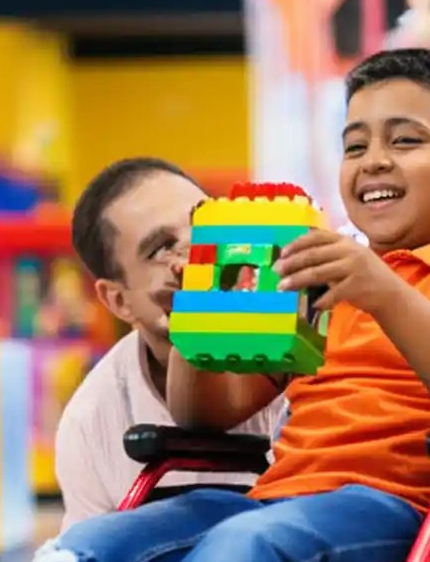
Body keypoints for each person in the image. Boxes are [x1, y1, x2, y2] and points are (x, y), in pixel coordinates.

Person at [12, 49, 430, 562]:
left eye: (404, 140)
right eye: (355, 146)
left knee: (239, 549)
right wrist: (203, 304)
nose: (373, 160)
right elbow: (208, 414)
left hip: (403, 508)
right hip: (277, 502)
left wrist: (384, 293)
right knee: (80, 556)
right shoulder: (320, 282)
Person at [55, 158, 286, 531]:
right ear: (118, 301)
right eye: (162, 248)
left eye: (204, 224)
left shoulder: (293, 357)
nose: (197, 251)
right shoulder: (92, 419)